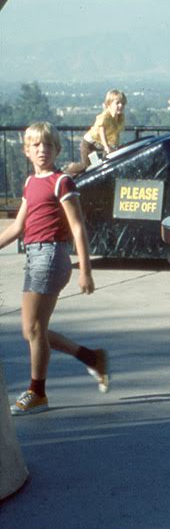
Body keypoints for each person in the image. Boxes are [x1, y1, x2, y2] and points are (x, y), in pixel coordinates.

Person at [1, 123, 109, 416]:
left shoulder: (62, 182)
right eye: (36, 146)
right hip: (34, 256)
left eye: (48, 145)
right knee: (31, 330)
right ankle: (91, 358)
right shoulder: (30, 182)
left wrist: (85, 269)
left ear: (57, 150)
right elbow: (19, 226)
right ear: (26, 151)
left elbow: (78, 227)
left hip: (51, 256)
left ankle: (37, 393)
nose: (42, 151)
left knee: (34, 329)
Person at [70, 89, 126, 175]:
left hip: (99, 145)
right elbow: (101, 131)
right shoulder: (105, 116)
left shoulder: (120, 118)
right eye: (117, 103)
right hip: (89, 143)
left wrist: (116, 147)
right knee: (87, 166)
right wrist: (106, 146)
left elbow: (116, 133)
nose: (120, 105)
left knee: (99, 166)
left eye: (123, 103)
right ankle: (68, 171)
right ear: (109, 104)